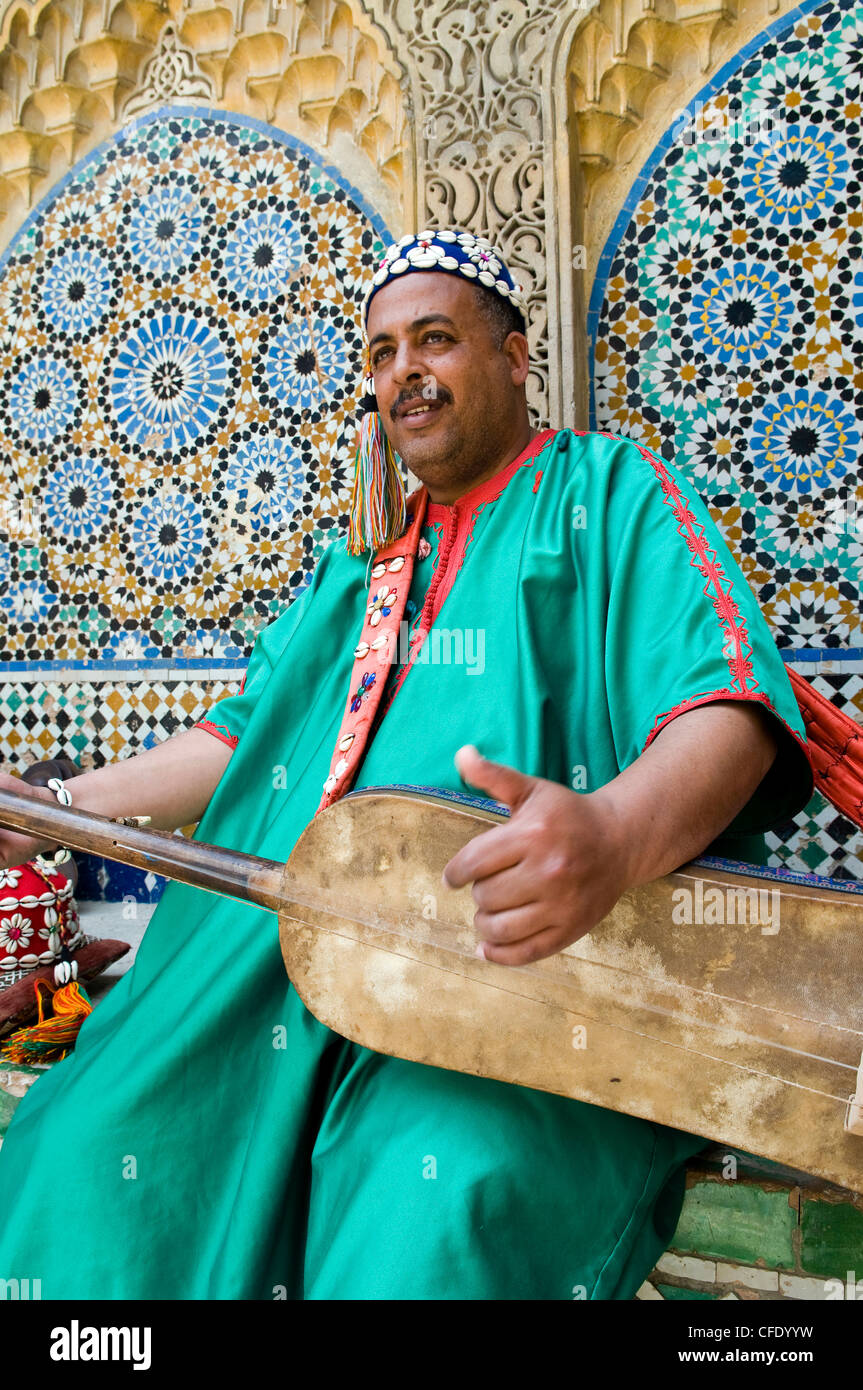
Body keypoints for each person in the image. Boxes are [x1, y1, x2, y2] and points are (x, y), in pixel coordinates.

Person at [0, 229, 813, 1300]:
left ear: (516, 358)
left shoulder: (611, 493)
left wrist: (613, 835)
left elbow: (731, 704)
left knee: (426, 1218)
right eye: (381, 353)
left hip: (523, 981)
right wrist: (53, 807)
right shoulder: (364, 562)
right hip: (282, 962)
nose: (402, 375)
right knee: (88, 1147)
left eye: (434, 340)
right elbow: (244, 736)